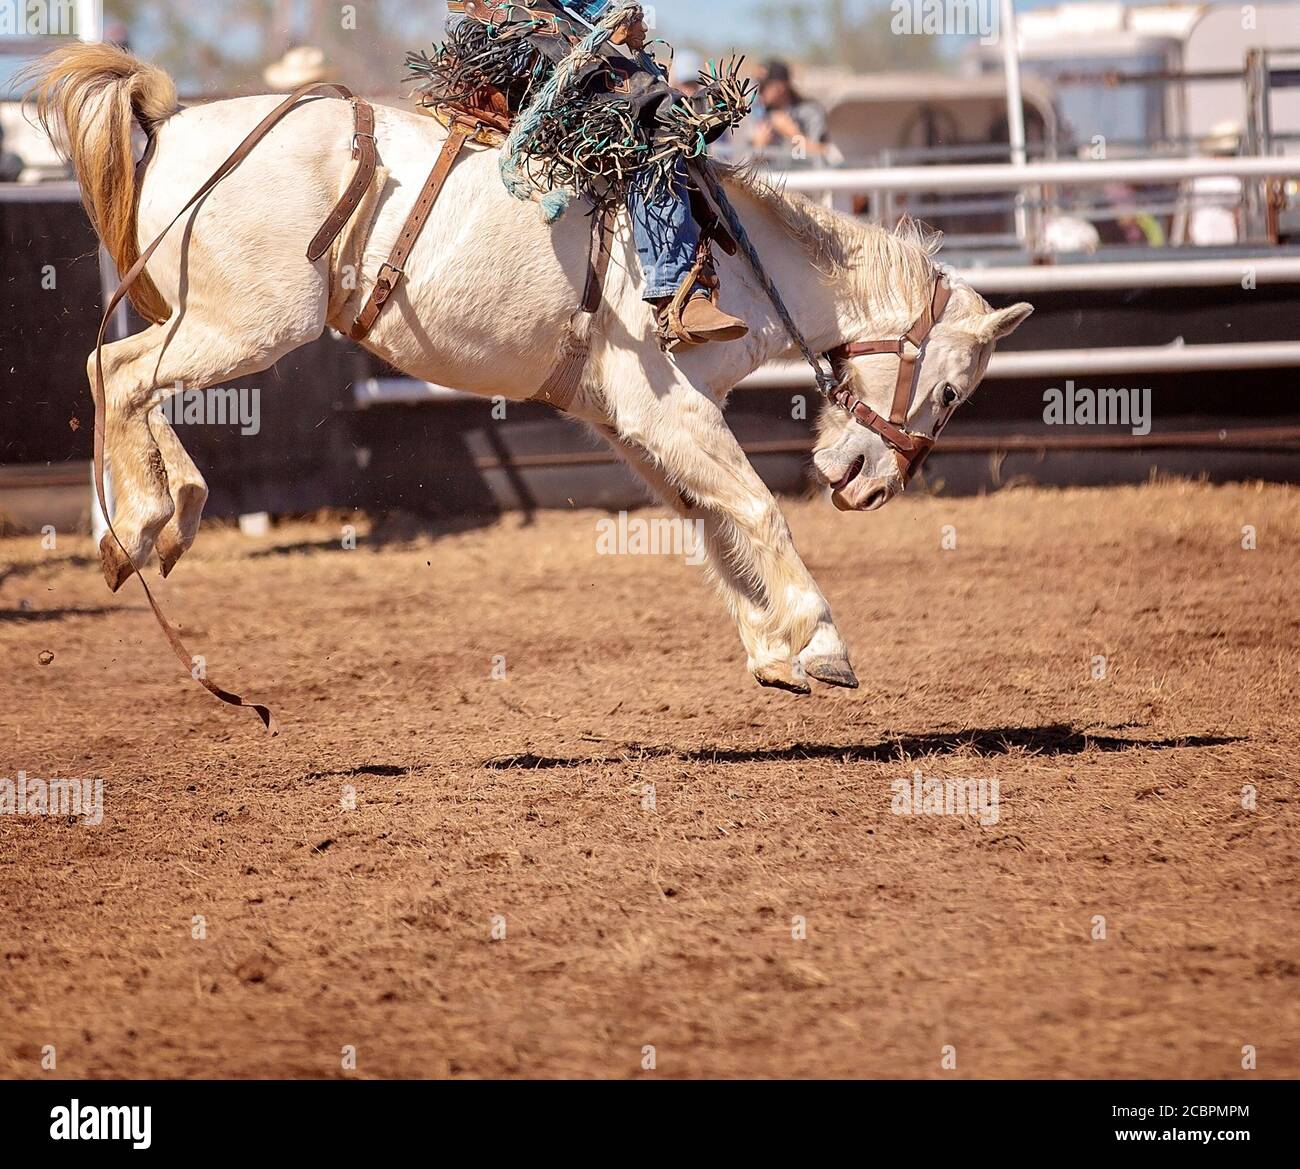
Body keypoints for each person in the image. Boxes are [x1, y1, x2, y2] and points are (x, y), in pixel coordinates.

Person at [537, 2, 749, 345]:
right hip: (516, 27)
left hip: (535, 25)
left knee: (649, 116)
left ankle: (678, 114)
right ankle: (674, 292)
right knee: (649, 143)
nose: (646, 29)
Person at [749, 59, 829, 165]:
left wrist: (793, 134)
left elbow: (825, 155)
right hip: (774, 180)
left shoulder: (810, 113)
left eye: (763, 86)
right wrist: (758, 147)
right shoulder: (761, 117)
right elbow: (752, 171)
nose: (758, 90)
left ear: (780, 86)